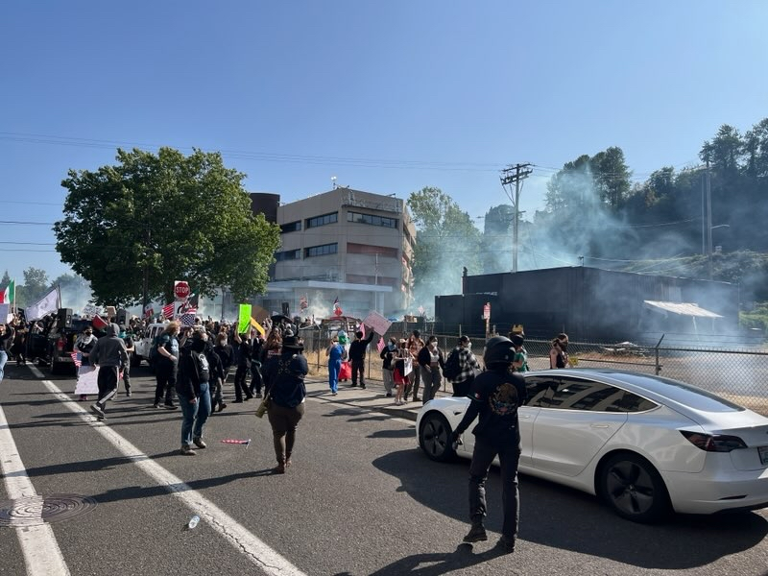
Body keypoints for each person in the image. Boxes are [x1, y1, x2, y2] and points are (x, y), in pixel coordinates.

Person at [450, 336, 527, 553]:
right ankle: (509, 539)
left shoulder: (482, 380)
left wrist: (457, 431)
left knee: (477, 478)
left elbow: (472, 411)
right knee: (510, 485)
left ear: (491, 355)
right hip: (511, 439)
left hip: (487, 438)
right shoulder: (519, 380)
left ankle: (477, 525)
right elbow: (520, 402)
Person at [262, 332, 308, 474]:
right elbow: (305, 372)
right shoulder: (301, 360)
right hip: (296, 403)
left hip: (277, 402)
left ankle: (281, 463)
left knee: (278, 433)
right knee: (292, 429)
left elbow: (264, 374)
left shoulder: (273, 361)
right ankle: (288, 458)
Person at [176, 329, 212, 456]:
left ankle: (197, 436)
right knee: (190, 417)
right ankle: (185, 444)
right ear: (197, 341)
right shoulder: (189, 354)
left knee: (206, 412)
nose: (206, 343)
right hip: (190, 389)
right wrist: (191, 395)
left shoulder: (203, 351)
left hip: (204, 386)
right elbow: (186, 377)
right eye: (204, 340)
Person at [89, 323, 129, 420]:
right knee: (113, 389)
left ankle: (100, 414)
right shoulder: (119, 341)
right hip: (113, 367)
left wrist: (92, 363)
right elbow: (125, 356)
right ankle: (98, 404)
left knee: (102, 390)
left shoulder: (100, 340)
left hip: (102, 367)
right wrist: (122, 368)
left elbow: (92, 353)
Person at [154, 321, 182, 409]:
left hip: (173, 365)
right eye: (178, 328)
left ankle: (169, 401)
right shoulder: (165, 336)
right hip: (164, 364)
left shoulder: (175, 338)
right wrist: (169, 356)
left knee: (173, 382)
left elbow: (180, 345)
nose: (179, 330)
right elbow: (160, 348)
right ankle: (157, 401)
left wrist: (185, 336)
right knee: (161, 383)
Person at [417, 335, 445, 404]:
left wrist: (445, 369)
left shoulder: (438, 350)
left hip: (436, 369)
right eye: (434, 340)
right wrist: (425, 365)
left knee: (438, 383)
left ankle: (431, 397)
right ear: (429, 341)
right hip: (426, 369)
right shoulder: (424, 350)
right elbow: (420, 359)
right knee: (428, 385)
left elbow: (441, 361)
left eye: (436, 341)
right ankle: (426, 401)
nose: (435, 342)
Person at [212, 332, 234, 412]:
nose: (224, 341)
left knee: (219, 389)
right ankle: (219, 402)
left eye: (225, 339)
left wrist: (227, 369)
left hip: (225, 370)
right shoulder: (215, 349)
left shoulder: (229, 348)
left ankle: (215, 403)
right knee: (220, 386)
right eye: (222, 339)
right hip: (217, 371)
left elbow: (232, 360)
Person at [232, 332, 255, 403]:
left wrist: (237, 326)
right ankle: (249, 394)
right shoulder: (248, 345)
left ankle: (239, 398)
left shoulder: (243, 344)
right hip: (247, 364)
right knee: (242, 381)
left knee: (237, 380)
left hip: (243, 364)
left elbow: (236, 335)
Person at [406, 329, 425, 401]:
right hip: (411, 363)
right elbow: (406, 350)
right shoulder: (410, 341)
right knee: (411, 379)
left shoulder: (421, 342)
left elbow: (423, 351)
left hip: (418, 363)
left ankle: (415, 396)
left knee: (418, 380)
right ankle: (406, 393)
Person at [119, 325, 135, 396]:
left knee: (126, 375)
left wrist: (125, 349)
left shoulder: (128, 338)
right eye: (120, 331)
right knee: (115, 376)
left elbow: (132, 349)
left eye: (123, 331)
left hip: (126, 359)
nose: (122, 332)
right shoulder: (116, 338)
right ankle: (114, 392)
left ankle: (128, 391)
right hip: (116, 359)